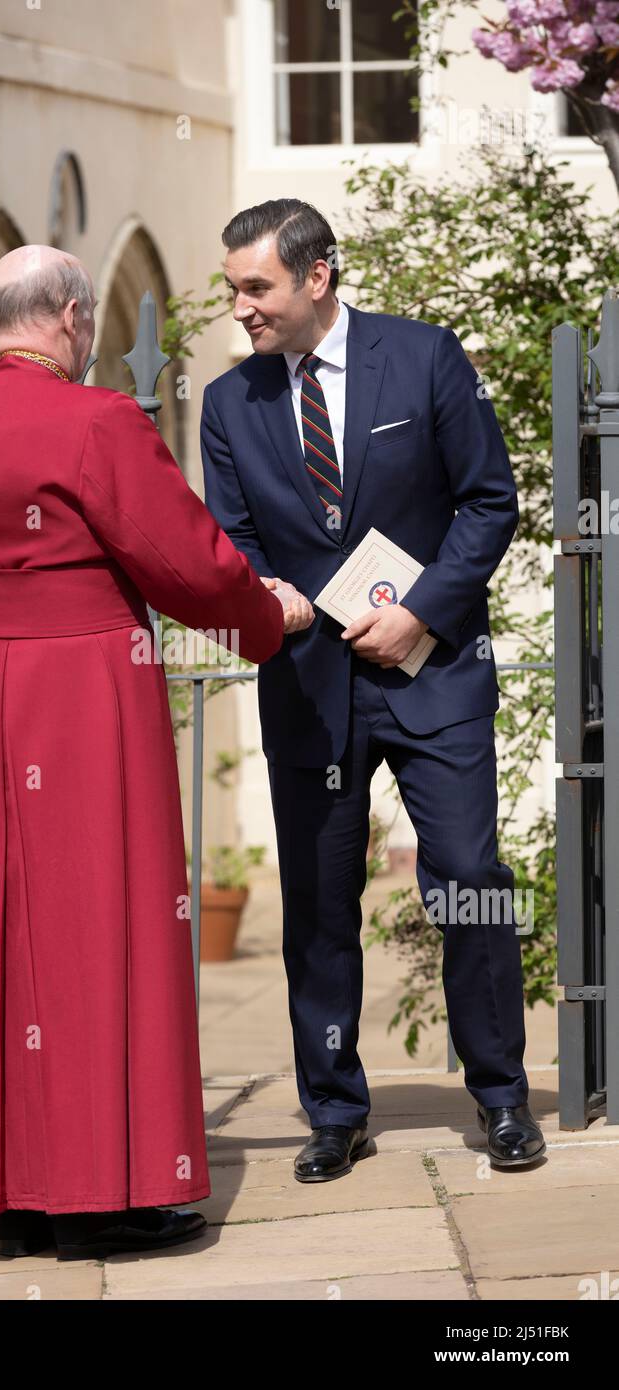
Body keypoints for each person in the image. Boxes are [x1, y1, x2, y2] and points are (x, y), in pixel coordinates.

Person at [0, 243, 315, 1261]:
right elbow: (185, 559)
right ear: (76, 316)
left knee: (0, 948)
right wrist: (267, 614)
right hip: (87, 687)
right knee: (101, 927)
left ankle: (16, 1198)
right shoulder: (98, 420)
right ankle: (103, 1197)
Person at [200, 199, 546, 1180]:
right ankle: (335, 1112)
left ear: (317, 277)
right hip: (309, 684)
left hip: (432, 670)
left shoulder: (427, 358)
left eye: (255, 287)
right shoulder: (230, 403)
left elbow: (490, 499)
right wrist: (276, 600)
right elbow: (236, 542)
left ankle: (503, 1099)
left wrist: (424, 612)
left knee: (471, 881)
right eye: (233, 289)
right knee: (316, 902)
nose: (242, 309)